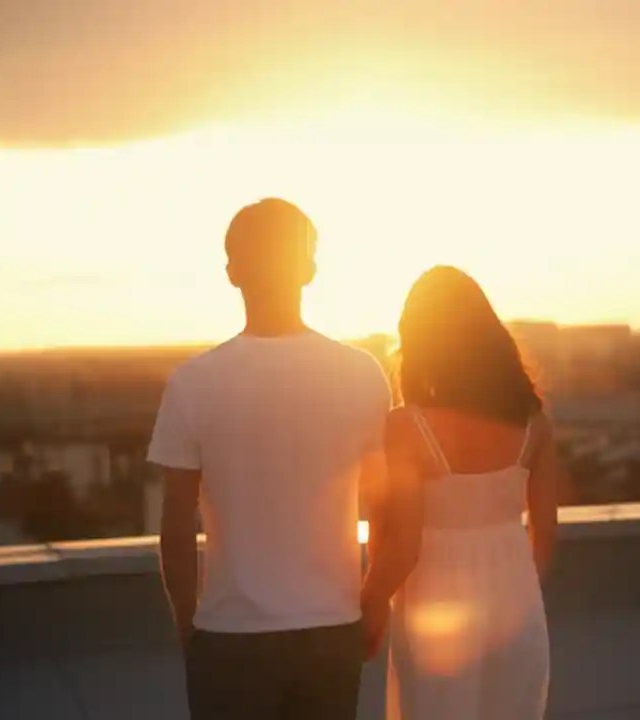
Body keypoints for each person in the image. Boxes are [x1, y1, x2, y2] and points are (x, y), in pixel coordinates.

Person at [148, 198, 391, 720]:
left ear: (233, 272)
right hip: (332, 629)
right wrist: (373, 602)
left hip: (230, 637)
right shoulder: (362, 373)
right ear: (309, 268)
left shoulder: (192, 382)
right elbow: (385, 503)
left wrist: (189, 625)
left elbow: (174, 520)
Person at [363, 266, 559, 720]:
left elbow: (404, 545)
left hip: (436, 624)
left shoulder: (407, 427)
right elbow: (545, 535)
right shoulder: (535, 425)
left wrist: (369, 606)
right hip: (519, 614)